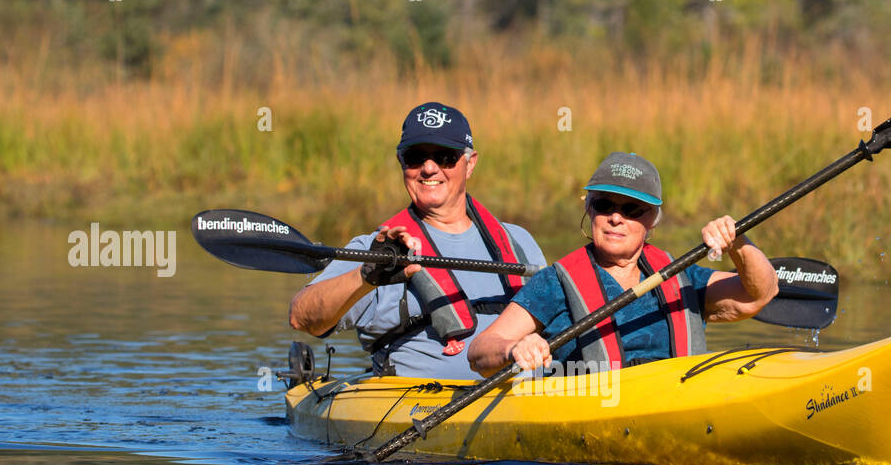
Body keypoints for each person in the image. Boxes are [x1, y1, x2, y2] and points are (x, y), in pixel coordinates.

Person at [288, 102, 546, 378]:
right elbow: (301, 317)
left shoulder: (519, 242)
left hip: (522, 401)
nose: (429, 168)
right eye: (415, 157)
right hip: (415, 409)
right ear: (401, 162)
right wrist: (367, 276)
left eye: (445, 156)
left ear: (470, 164)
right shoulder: (377, 248)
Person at [467, 152, 777, 376]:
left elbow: (758, 295)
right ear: (590, 210)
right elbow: (480, 350)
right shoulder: (556, 282)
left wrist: (738, 243)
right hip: (591, 417)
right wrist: (514, 349)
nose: (616, 217)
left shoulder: (682, 275)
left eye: (632, 209)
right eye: (604, 205)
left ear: (652, 221)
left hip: (674, 406)